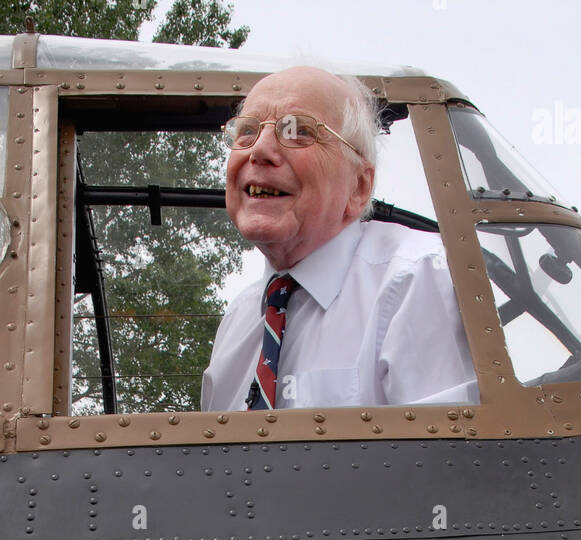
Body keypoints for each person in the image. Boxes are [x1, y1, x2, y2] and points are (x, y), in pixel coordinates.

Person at [200, 66, 479, 413]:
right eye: (247, 132)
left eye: (298, 131)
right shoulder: (238, 320)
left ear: (359, 187)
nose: (260, 151)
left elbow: (450, 460)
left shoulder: (419, 279)